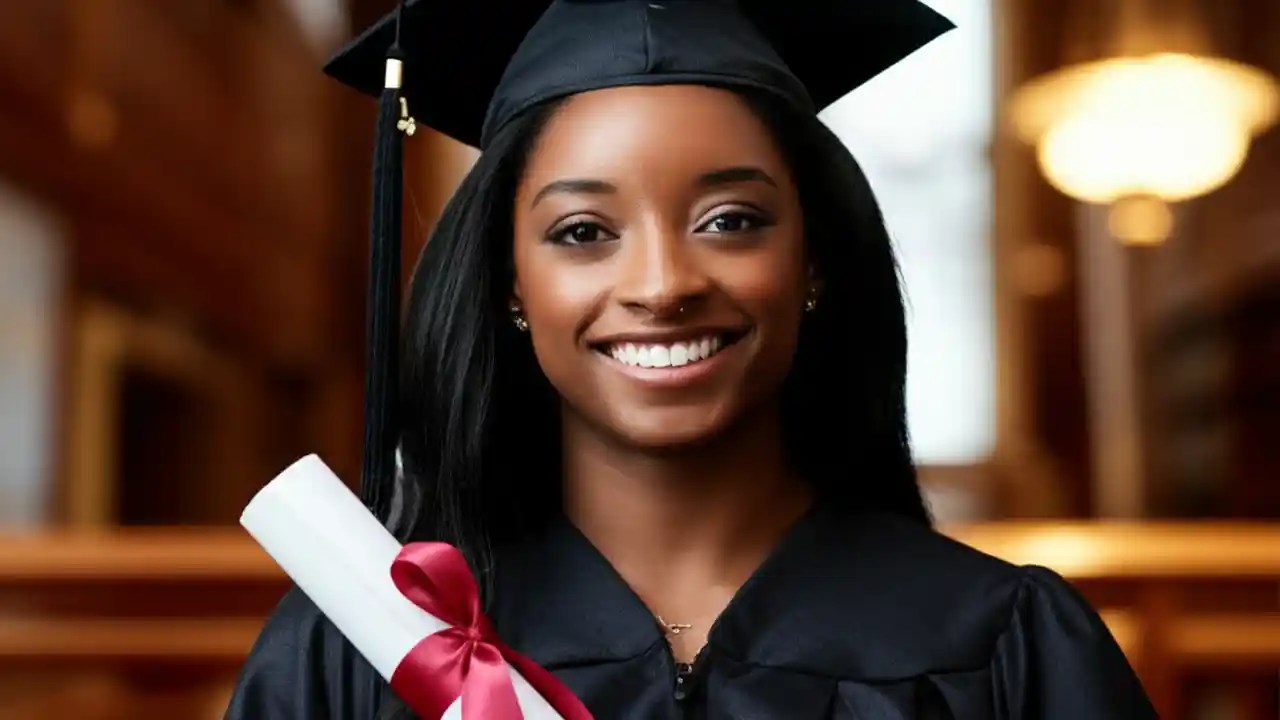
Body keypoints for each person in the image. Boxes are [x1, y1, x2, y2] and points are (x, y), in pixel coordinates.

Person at [227, 0, 1157, 718]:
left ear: (815, 262)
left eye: (731, 221)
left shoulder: (1007, 646)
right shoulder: (368, 647)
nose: (663, 282)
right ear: (510, 284)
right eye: (583, 231)